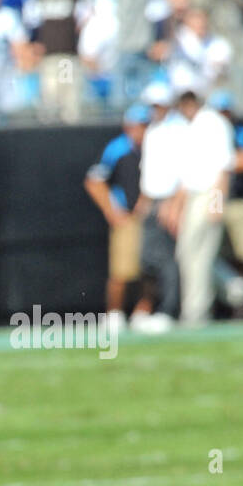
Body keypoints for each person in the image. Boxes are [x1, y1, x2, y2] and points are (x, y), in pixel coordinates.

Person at [170, 88, 233, 326]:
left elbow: (224, 167)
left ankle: (196, 314)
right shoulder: (192, 126)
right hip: (195, 196)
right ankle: (233, 287)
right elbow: (189, 175)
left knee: (200, 255)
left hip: (209, 194)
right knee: (188, 253)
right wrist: (177, 206)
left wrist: (217, 203)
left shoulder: (214, 123)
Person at [84, 103, 148, 332]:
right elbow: (94, 181)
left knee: (149, 267)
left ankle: (143, 311)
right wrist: (112, 210)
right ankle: (114, 313)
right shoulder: (117, 148)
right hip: (127, 216)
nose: (140, 131)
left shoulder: (155, 146)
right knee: (121, 269)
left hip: (150, 217)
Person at [132, 82, 184, 332]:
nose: (155, 109)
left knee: (167, 258)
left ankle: (168, 309)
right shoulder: (153, 130)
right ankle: (152, 307)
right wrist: (144, 202)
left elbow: (184, 171)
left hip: (168, 201)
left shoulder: (178, 130)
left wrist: (173, 204)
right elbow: (150, 172)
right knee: (147, 257)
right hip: (152, 200)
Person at [209, 90, 243, 317]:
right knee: (211, 254)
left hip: (239, 201)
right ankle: (218, 305)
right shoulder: (206, 135)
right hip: (215, 198)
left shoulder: (242, 134)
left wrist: (225, 162)